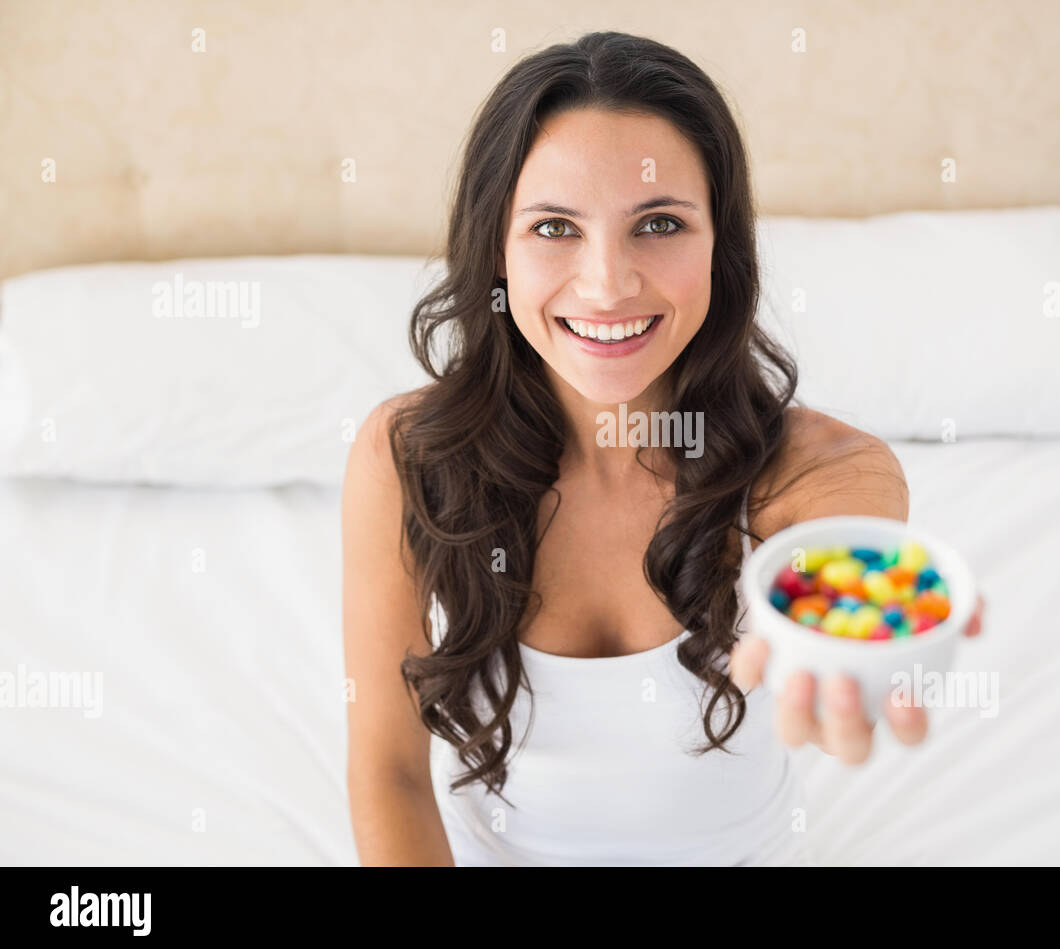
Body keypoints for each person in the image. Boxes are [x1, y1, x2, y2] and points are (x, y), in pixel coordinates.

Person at [342, 30, 985, 867]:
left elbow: (848, 558)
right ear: (495, 250)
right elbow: (389, 771)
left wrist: (853, 641)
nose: (607, 282)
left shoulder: (824, 473)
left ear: (723, 243)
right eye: (554, 228)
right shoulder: (405, 458)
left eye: (657, 223)